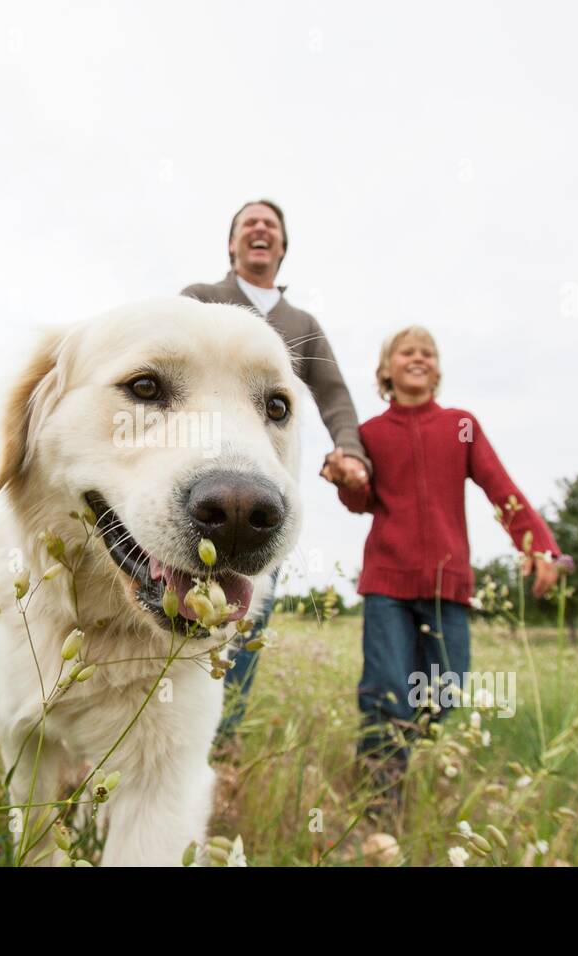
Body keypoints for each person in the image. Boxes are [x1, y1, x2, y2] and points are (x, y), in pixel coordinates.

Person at [338, 325, 560, 798]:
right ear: (385, 370)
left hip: (448, 584)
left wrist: (538, 546)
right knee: (387, 688)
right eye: (406, 352)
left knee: (445, 691)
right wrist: (346, 478)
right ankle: (379, 799)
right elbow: (360, 502)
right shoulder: (370, 433)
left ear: (437, 369)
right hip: (386, 584)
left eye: (428, 353)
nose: (418, 358)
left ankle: (392, 754)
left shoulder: (461, 424)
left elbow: (501, 490)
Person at [181, 198, 371, 740]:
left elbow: (333, 394)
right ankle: (154, 730)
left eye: (271, 225)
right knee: (167, 602)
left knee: (242, 616)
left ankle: (226, 735)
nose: (260, 230)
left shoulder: (301, 324)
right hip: (192, 484)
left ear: (283, 248)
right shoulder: (201, 298)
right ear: (232, 245)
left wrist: (350, 450)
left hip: (263, 493)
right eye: (248, 224)